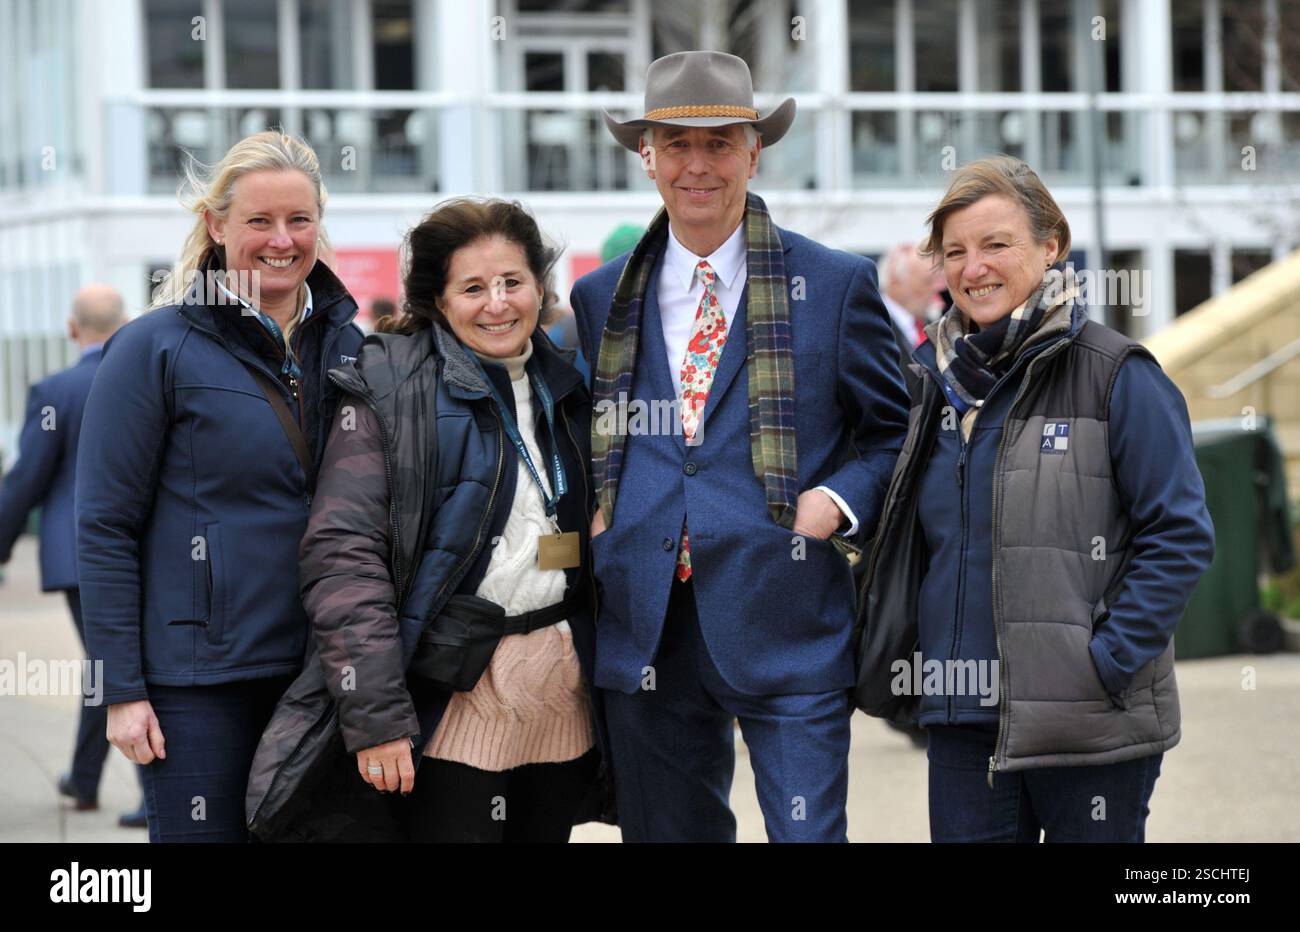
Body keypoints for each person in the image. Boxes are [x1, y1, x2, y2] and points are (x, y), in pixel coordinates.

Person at [570, 51, 910, 842]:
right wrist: (598, 511)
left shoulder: (833, 284)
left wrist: (834, 503)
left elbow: (893, 434)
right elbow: (587, 431)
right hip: (646, 628)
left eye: (720, 143)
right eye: (677, 144)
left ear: (754, 153)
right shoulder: (600, 297)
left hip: (788, 620)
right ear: (646, 154)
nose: (699, 165)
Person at [854, 155, 1215, 842]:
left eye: (996, 244)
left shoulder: (1117, 375)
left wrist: (1102, 662)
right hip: (961, 725)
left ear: (1050, 247)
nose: (973, 268)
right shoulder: (931, 386)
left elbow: (1180, 536)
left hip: (1088, 723)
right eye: (954, 252)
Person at [279, 197, 606, 843]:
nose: (498, 304)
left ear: (541, 287)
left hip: (558, 700)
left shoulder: (566, 387)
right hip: (453, 701)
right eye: (473, 287)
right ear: (436, 299)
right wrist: (376, 720)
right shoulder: (393, 390)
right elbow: (344, 559)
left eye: (513, 282)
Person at [76, 131, 364, 842]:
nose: (282, 240)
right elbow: (106, 525)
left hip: (328, 670)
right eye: (259, 221)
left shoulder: (357, 349)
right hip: (198, 683)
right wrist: (122, 690)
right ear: (216, 225)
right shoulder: (153, 348)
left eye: (299, 220)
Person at [0, 285, 146, 827]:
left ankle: (135, 792)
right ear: (127, 323)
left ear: (70, 329)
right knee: (110, 668)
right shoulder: (142, 378)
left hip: (74, 555)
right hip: (138, 549)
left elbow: (26, 479)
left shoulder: (55, 390)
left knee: (110, 669)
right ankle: (87, 779)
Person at [879, 242, 945, 396]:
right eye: (927, 281)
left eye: (938, 281)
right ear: (896, 281)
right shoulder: (869, 326)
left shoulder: (933, 327)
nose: (936, 289)